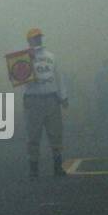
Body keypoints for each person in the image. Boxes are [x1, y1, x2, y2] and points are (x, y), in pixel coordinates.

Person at [22, 28, 68, 178]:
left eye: (39, 37)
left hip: (51, 98)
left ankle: (57, 166)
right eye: (35, 38)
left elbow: (59, 77)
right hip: (33, 98)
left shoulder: (52, 56)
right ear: (29, 40)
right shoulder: (22, 58)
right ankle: (33, 169)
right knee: (33, 135)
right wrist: (26, 59)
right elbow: (18, 78)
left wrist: (63, 96)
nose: (38, 40)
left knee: (56, 134)